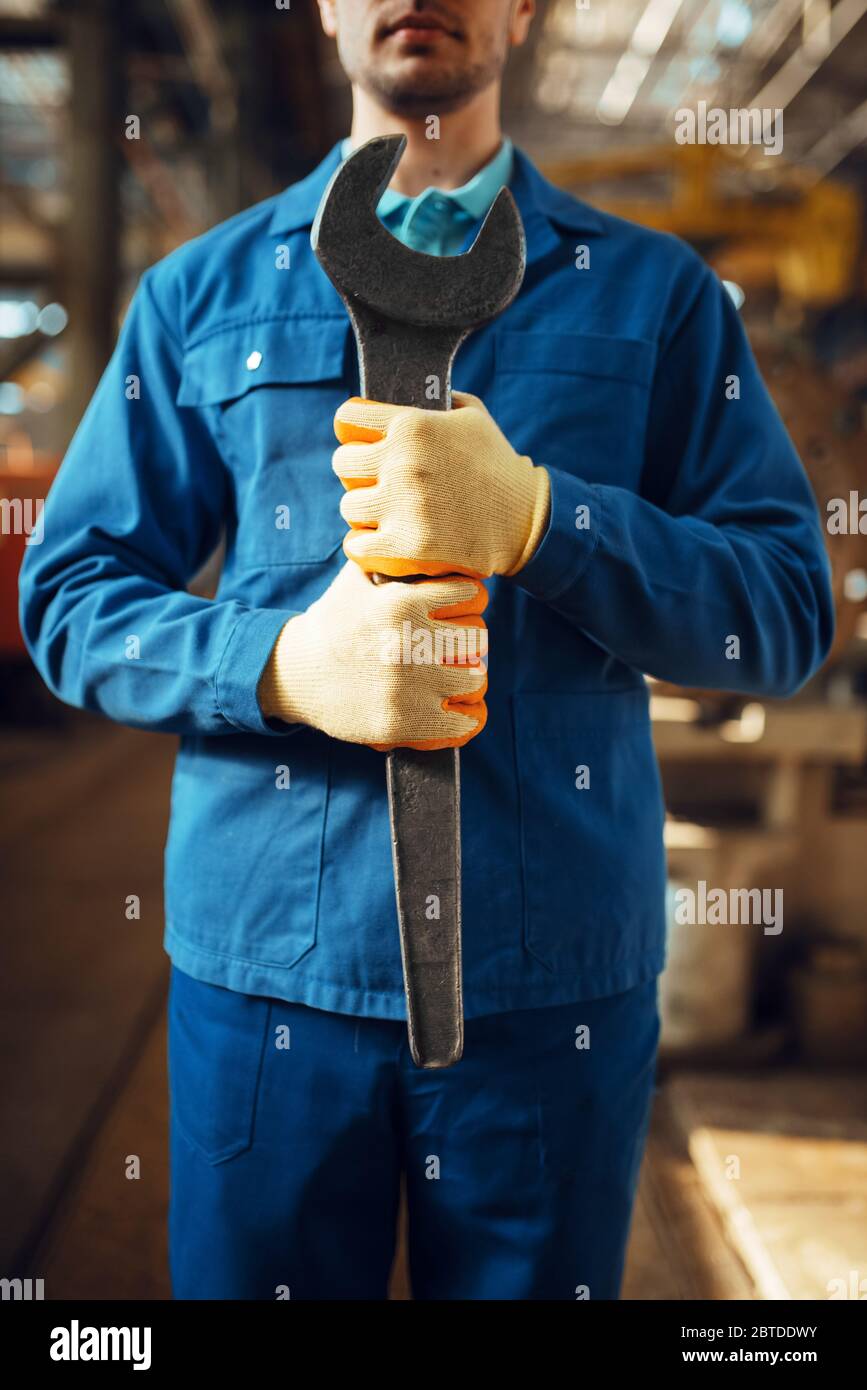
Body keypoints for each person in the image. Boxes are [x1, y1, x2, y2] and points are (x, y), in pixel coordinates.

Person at [19, 0, 833, 1300]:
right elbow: (69, 596)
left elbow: (786, 608)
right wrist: (281, 663)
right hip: (269, 985)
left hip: (550, 990)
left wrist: (541, 519)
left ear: (526, 10)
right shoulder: (201, 294)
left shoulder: (660, 298)